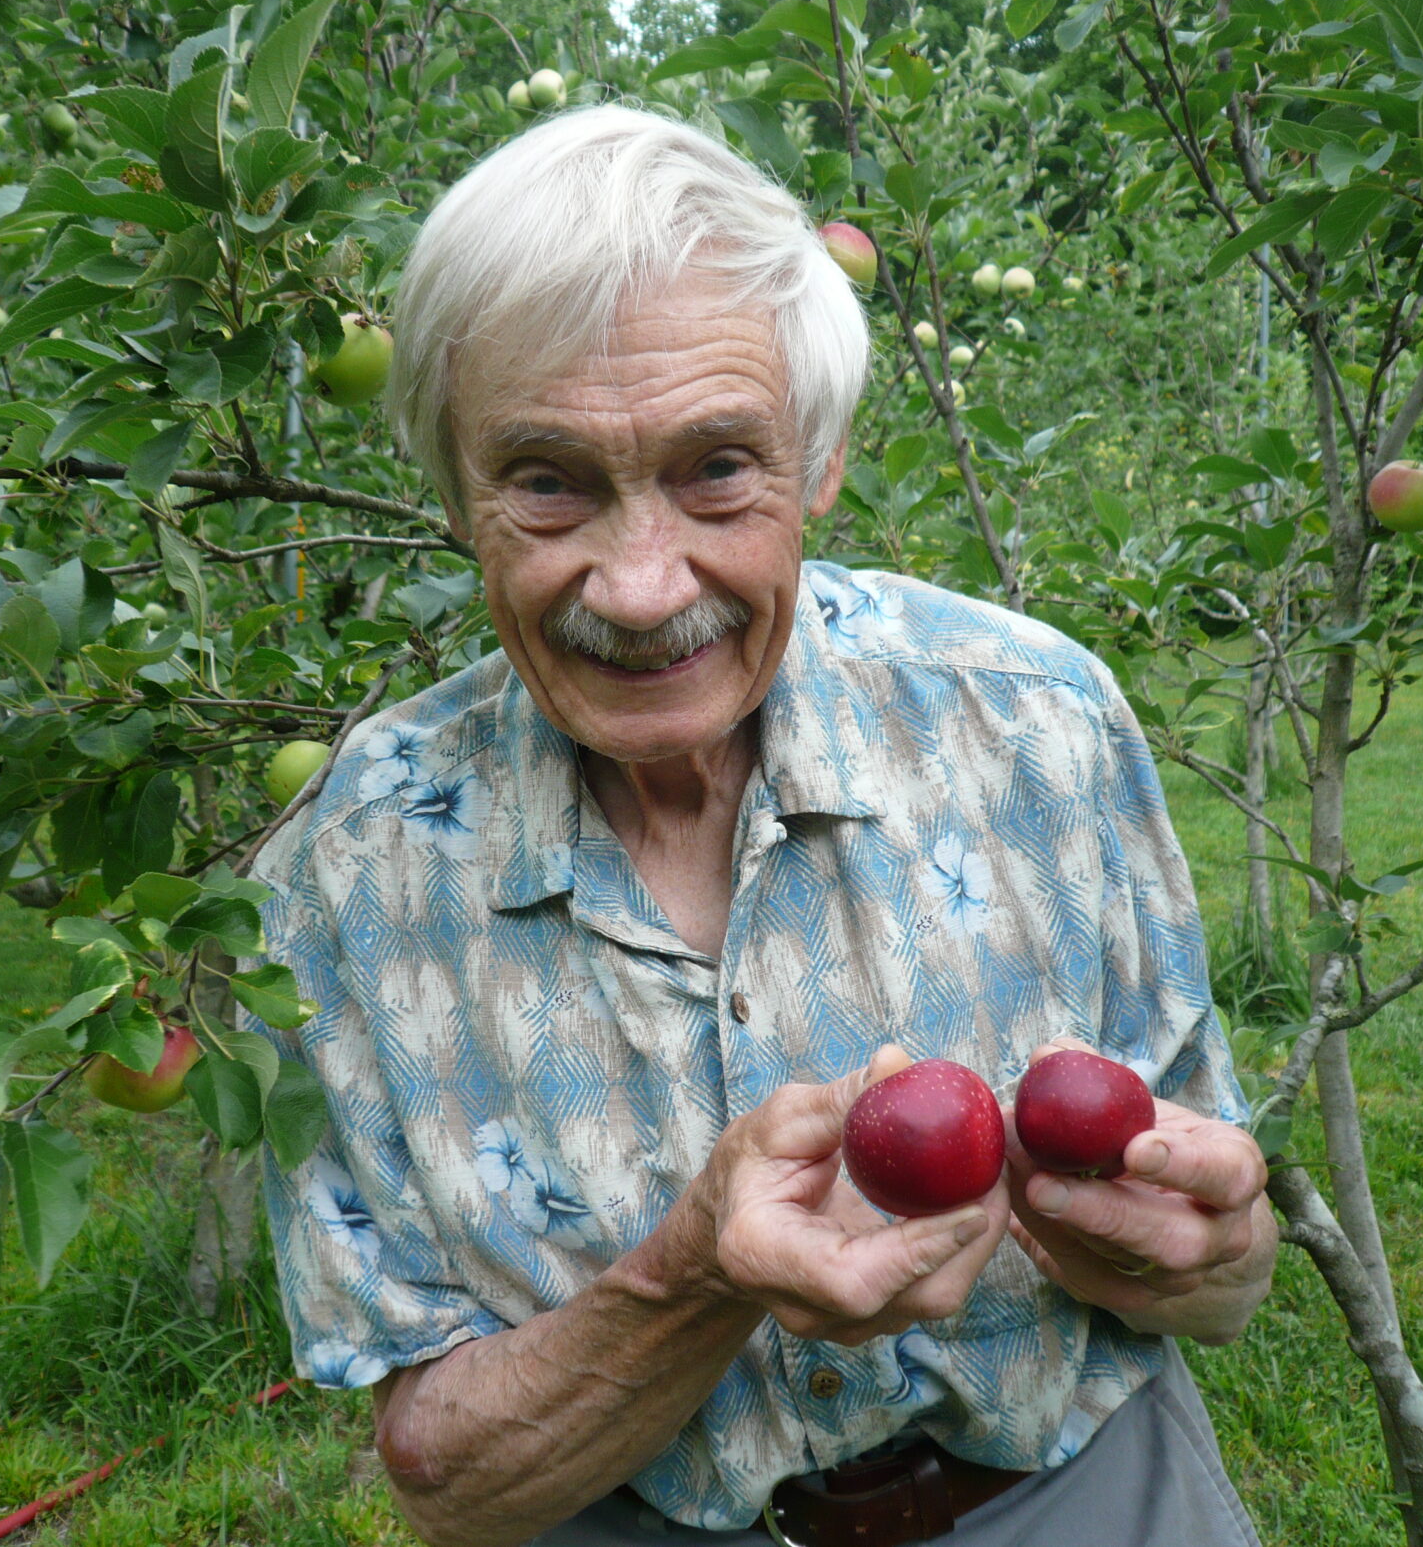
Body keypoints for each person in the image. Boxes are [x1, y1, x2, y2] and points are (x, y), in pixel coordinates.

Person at [247, 104, 1276, 1547]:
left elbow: (1224, 1285)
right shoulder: (354, 872)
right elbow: (453, 1482)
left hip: (1081, 1498)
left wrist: (1201, 1245)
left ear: (822, 461)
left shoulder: (1033, 725)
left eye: (718, 465)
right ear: (455, 492)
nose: (645, 583)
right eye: (548, 480)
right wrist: (691, 1278)